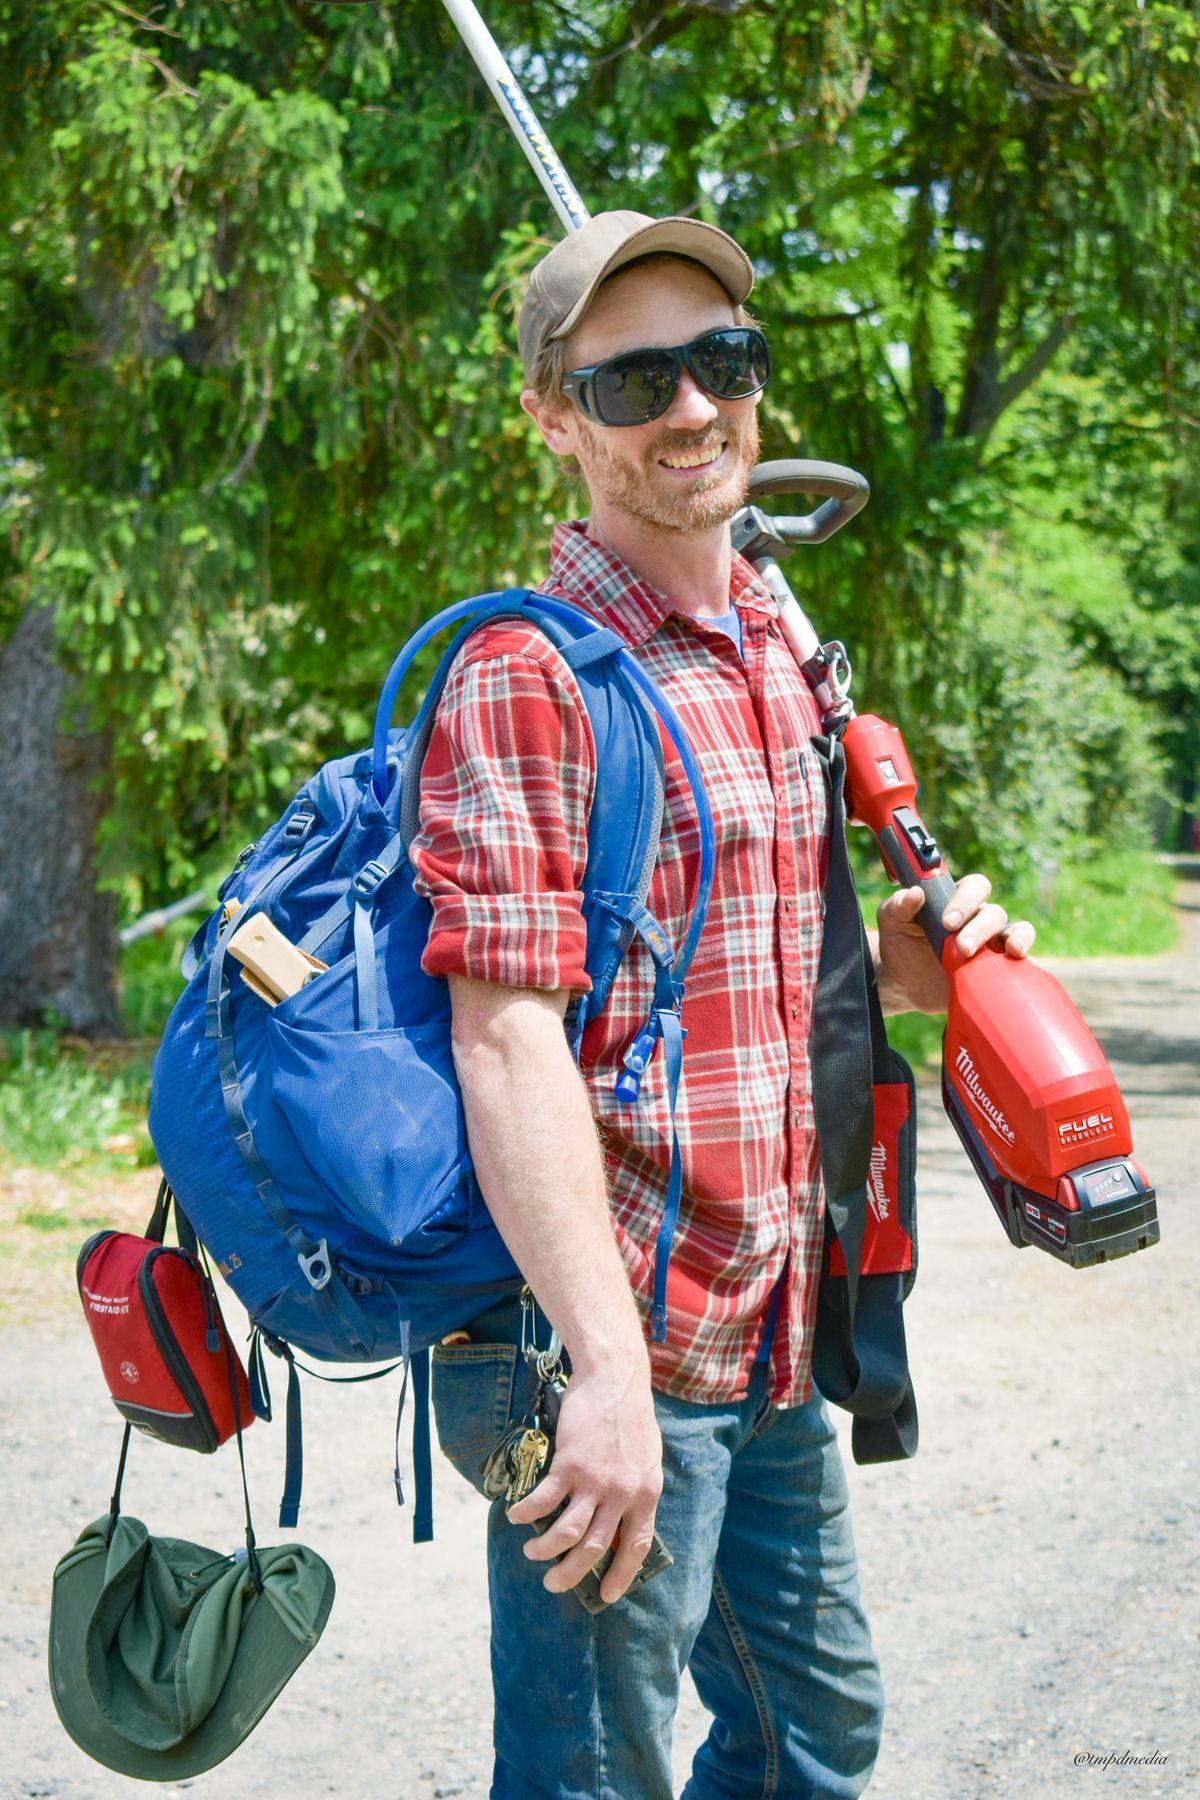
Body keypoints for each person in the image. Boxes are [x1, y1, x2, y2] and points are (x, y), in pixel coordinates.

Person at [409, 211, 1034, 1800]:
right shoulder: (529, 673)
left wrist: (898, 965)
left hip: (764, 1321)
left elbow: (743, 961)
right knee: (592, 1777)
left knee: (814, 1737)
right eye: (634, 384)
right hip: (605, 1340)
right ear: (555, 419)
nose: (692, 406)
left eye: (723, 360)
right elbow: (504, 1036)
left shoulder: (767, 640)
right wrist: (606, 1376)